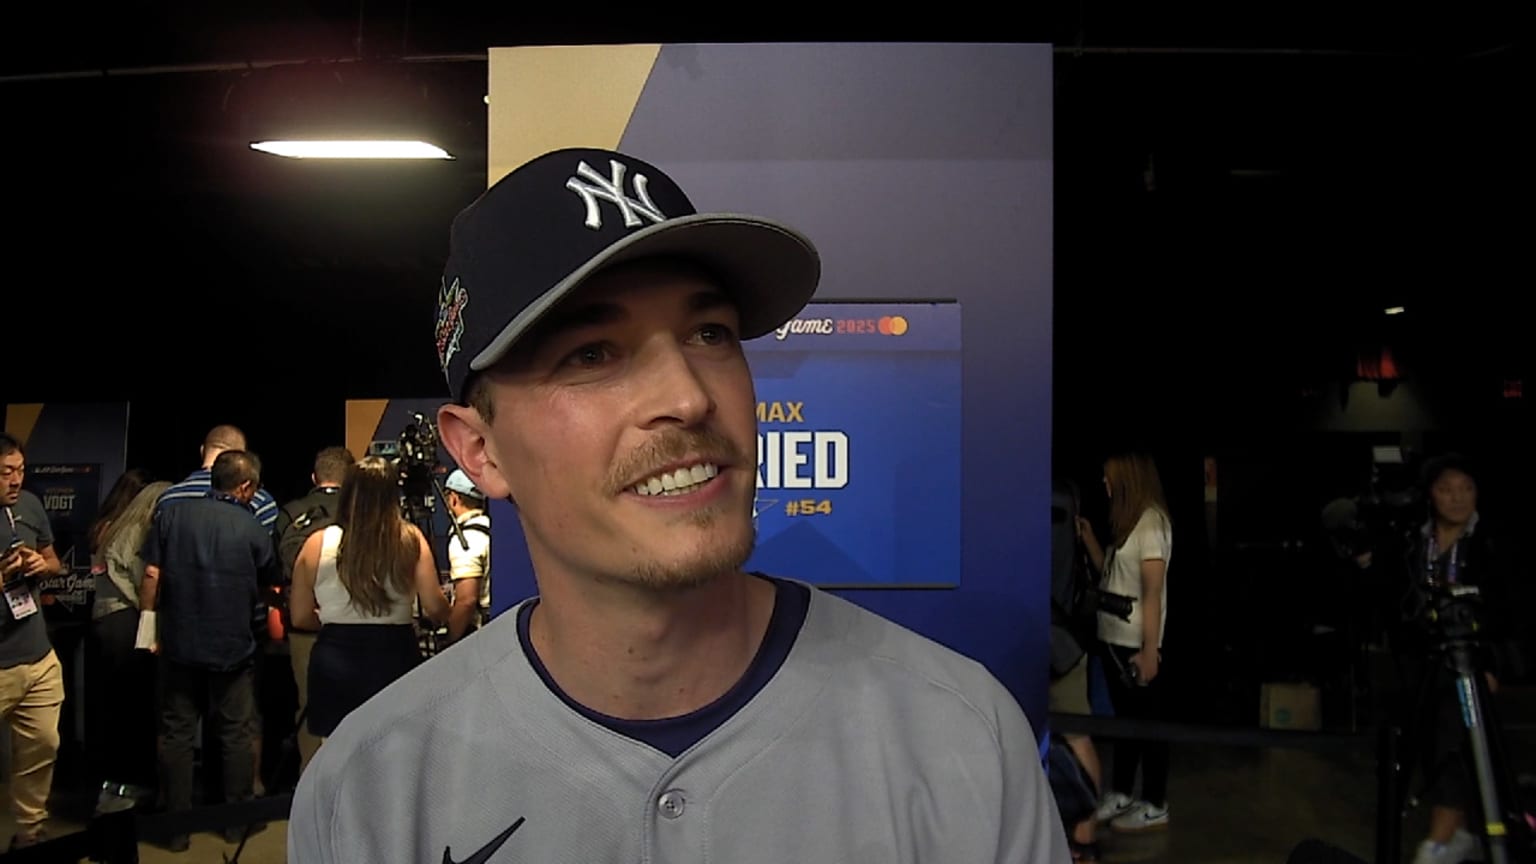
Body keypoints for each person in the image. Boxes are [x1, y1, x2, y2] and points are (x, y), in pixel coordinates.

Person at [288, 147, 1069, 863]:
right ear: (480, 451)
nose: (690, 397)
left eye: (710, 333)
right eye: (591, 354)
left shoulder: (961, 736)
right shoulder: (372, 787)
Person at [1395, 453, 1516, 864]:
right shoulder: (1416, 539)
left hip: (1471, 662)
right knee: (1431, 744)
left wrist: (1495, 664)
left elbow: (1512, 608)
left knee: (1456, 741)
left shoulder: (1491, 541)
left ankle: (1442, 838)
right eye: (1447, 489)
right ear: (1432, 494)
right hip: (1424, 660)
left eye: (1466, 489)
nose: (1457, 498)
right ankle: (1460, 832)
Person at [288, 456, 448, 763]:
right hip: (394, 657)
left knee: (335, 759)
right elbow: (435, 607)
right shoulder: (410, 539)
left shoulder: (316, 544)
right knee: (394, 759)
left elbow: (299, 616)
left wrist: (335, 622)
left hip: (335, 655)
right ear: (392, 495)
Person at [1076, 451, 1172, 833]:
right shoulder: (1129, 523)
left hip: (1136, 644)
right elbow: (1112, 581)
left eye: (1109, 476)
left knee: (1148, 724)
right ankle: (1122, 792)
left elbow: (1152, 591)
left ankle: (1155, 801)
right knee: (1127, 723)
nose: (1105, 483)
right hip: (1113, 638)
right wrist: (1090, 541)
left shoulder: (1152, 524)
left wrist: (1150, 650)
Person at [0, 433, 66, 850]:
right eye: (6, 472)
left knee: (44, 744)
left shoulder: (29, 506)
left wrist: (42, 565)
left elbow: (54, 559)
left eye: (21, 470)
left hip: (37, 656)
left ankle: (29, 833)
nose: (16, 480)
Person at [442, 468, 491, 644]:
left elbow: (467, 600)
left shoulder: (465, 540)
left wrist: (449, 641)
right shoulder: (492, 529)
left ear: (454, 499)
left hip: (478, 635)